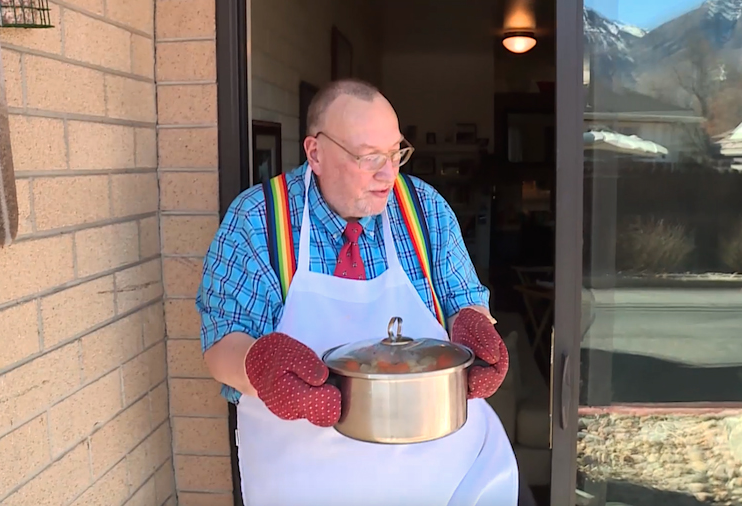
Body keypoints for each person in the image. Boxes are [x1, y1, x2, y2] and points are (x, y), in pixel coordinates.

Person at [196, 78, 519, 506]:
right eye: (369, 157)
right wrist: (259, 364)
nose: (388, 174)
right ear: (316, 153)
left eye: (395, 153)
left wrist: (473, 323)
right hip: (304, 483)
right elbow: (221, 344)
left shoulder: (424, 208)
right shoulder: (258, 219)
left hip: (440, 476)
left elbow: (462, 299)